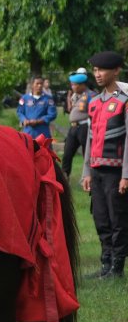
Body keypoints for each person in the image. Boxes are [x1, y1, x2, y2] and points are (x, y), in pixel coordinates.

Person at [81, 51, 128, 279]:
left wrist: (126, 175)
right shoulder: (94, 103)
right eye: (95, 70)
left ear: (116, 70)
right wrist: (86, 171)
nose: (97, 74)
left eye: (102, 70)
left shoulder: (124, 101)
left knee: (117, 218)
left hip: (116, 171)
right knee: (100, 217)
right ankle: (105, 264)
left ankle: (117, 268)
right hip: (97, 171)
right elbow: (90, 138)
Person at [61, 70, 92, 176]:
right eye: (72, 84)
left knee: (87, 154)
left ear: (82, 85)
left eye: (74, 85)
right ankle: (65, 177)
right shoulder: (74, 96)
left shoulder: (90, 95)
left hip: (84, 127)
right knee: (67, 154)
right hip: (73, 128)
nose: (72, 87)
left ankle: (89, 176)